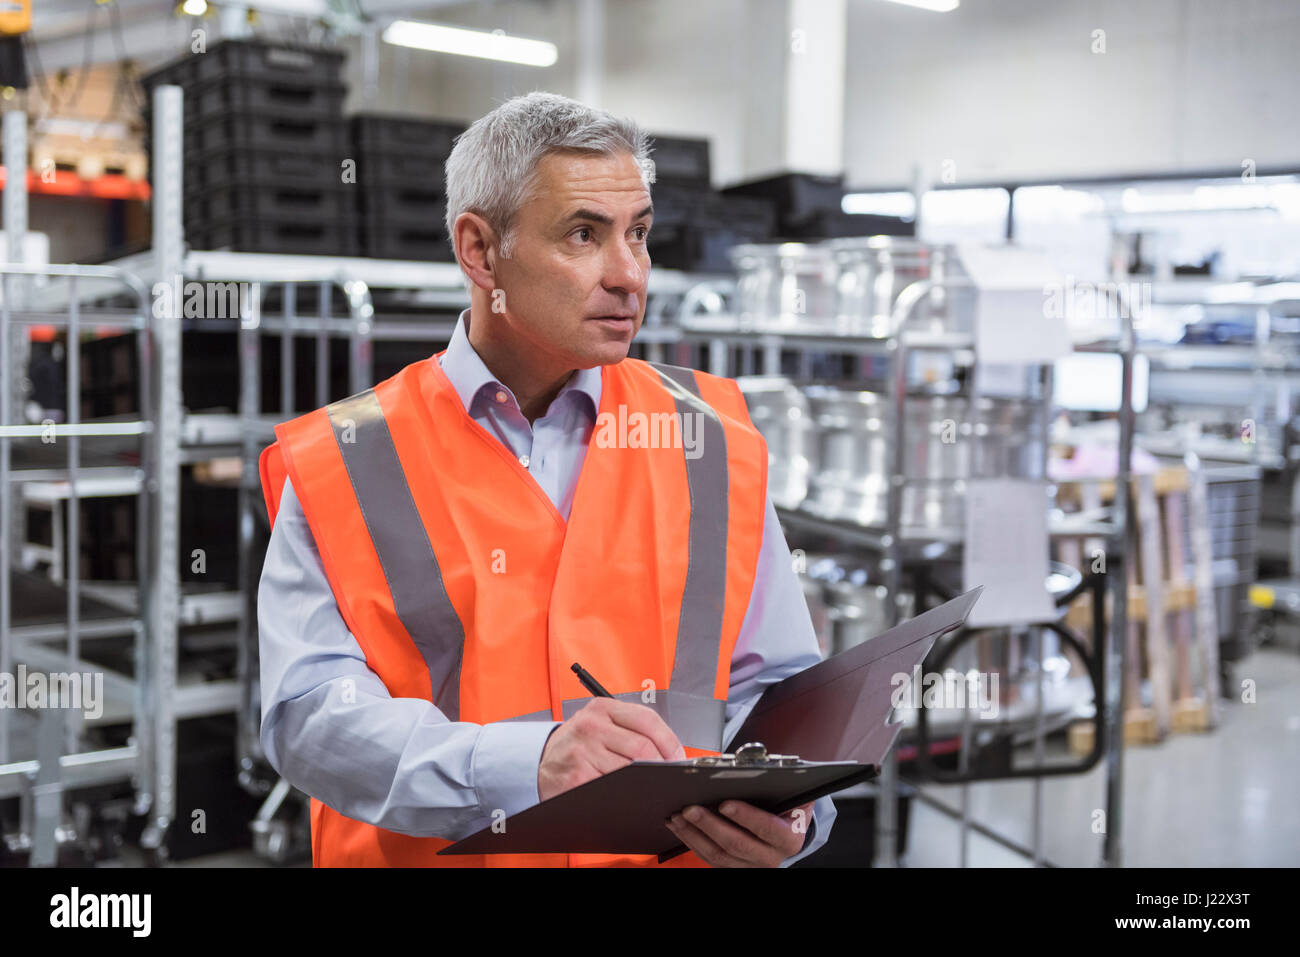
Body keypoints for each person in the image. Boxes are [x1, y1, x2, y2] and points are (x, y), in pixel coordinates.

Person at [256, 90, 836, 867]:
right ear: (479, 251)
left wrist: (797, 815)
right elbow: (308, 717)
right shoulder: (348, 457)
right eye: (584, 235)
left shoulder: (711, 437)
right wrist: (523, 764)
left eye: (639, 233)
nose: (630, 275)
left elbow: (782, 690)